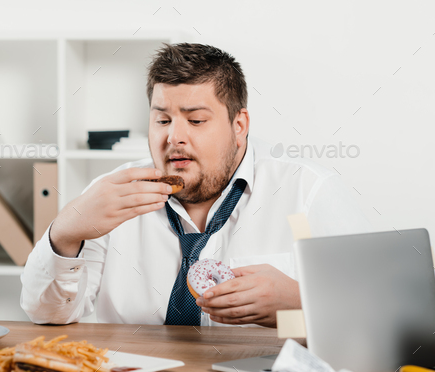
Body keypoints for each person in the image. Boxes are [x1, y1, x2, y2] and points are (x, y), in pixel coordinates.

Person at [21, 43, 371, 327]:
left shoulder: (308, 193)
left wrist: (301, 300)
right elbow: (49, 315)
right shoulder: (112, 193)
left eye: (196, 120)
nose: (174, 137)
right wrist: (64, 233)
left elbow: (382, 315)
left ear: (239, 124)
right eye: (162, 119)